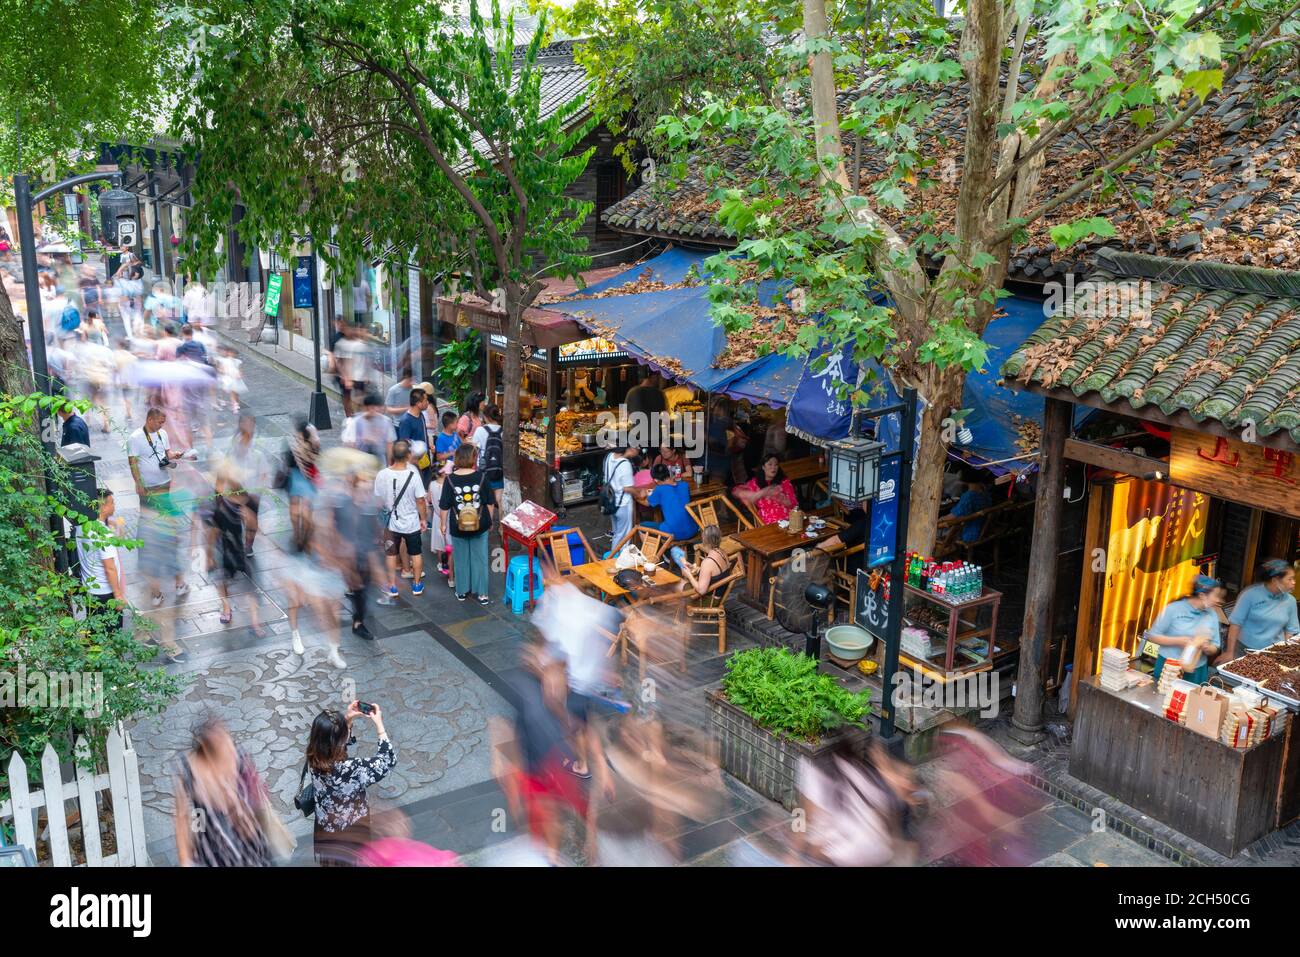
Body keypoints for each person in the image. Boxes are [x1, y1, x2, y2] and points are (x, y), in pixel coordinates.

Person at [173, 716, 272, 867]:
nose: (228, 747)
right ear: (205, 748)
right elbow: (183, 816)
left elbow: (257, 795)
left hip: (250, 848)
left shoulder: (239, 755)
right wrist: (186, 859)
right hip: (214, 852)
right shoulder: (189, 770)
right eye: (221, 744)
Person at [305, 704, 395, 867]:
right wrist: (380, 726)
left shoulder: (314, 755)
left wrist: (346, 720)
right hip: (351, 831)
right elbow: (387, 761)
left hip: (326, 827)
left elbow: (335, 743)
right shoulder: (351, 769)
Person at [203, 473, 266, 636]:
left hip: (237, 551)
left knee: (247, 587)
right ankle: (227, 607)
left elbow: (252, 528)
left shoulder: (245, 506)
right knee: (222, 580)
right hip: (223, 550)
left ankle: (254, 623)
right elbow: (212, 535)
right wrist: (209, 556)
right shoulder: (221, 509)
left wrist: (249, 532)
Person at [1145, 575, 1225, 684]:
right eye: (1215, 596)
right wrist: (1178, 641)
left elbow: (1216, 645)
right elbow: (1153, 635)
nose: (1218, 600)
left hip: (1197, 670)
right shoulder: (1173, 609)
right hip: (1169, 667)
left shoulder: (1212, 614)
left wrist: (1207, 647)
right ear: (1202, 595)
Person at [439, 443, 492, 605]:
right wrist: (489, 520)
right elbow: (489, 502)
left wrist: (442, 524)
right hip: (480, 524)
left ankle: (461, 591)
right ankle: (482, 594)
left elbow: (444, 505)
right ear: (473, 458)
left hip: (458, 525)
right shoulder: (482, 477)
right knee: (481, 559)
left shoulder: (449, 480)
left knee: (461, 559)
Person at [374, 440, 428, 599]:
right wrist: (423, 518)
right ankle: (417, 585)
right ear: (408, 456)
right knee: (416, 554)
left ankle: (392, 586)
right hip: (411, 523)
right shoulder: (413, 474)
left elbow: (378, 500)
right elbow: (420, 500)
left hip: (391, 523)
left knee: (390, 555)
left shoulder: (382, 474)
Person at [1226, 559, 1300, 659]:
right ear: (1275, 580)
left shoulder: (1290, 601)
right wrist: (1229, 652)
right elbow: (1235, 624)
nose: (1294, 582)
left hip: (1274, 652)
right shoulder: (1250, 594)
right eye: (1290, 579)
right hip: (1245, 650)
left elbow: (1291, 630)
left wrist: (1287, 655)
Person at [77, 489, 126, 632]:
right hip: (106, 593)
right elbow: (109, 567)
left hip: (90, 589)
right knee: (112, 635)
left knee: (95, 633)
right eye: (112, 503)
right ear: (103, 506)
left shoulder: (82, 526)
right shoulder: (103, 534)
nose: (114, 506)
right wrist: (118, 595)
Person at [633, 464, 697, 556]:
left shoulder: (659, 489)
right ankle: (672, 552)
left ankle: (650, 556)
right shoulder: (684, 485)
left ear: (656, 480)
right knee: (671, 521)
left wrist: (635, 497)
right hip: (692, 530)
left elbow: (647, 503)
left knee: (641, 526)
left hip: (673, 534)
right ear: (669, 473)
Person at [128, 407, 185, 502]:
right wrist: (139, 484)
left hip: (165, 481)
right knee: (148, 513)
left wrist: (175, 454)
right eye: (160, 422)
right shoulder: (135, 438)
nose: (162, 425)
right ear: (150, 419)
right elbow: (133, 464)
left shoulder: (163, 433)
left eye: (163, 422)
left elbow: (167, 454)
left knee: (165, 512)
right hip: (147, 485)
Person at [284, 418, 321, 549]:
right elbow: (288, 462)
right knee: (295, 508)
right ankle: (297, 535)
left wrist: (307, 445)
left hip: (307, 476)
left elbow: (315, 457)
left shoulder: (312, 441)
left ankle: (305, 537)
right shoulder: (293, 443)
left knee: (305, 511)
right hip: (296, 476)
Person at [734, 453, 798, 525]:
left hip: (787, 518)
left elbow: (794, 503)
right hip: (767, 520)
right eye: (770, 464)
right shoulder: (755, 483)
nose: (773, 468)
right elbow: (736, 491)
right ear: (763, 467)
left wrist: (780, 498)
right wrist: (762, 493)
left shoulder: (784, 481)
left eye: (776, 465)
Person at [602, 444, 640, 551]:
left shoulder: (609, 456)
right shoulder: (625, 464)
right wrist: (639, 493)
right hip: (622, 504)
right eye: (638, 448)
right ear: (631, 448)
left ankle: (613, 559)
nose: (638, 451)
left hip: (610, 501)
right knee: (624, 537)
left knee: (617, 533)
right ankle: (617, 561)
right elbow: (628, 488)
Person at [678, 524, 731, 596]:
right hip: (719, 593)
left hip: (709, 600)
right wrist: (696, 568)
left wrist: (689, 575)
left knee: (679, 587)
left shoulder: (707, 562)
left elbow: (701, 591)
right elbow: (715, 573)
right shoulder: (722, 552)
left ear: (704, 541)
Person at [473, 403, 505, 521]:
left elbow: (475, 450)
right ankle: (502, 527)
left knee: (486, 499)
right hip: (499, 469)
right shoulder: (503, 430)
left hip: (484, 469)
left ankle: (488, 524)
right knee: (500, 499)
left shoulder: (480, 430)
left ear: (486, 416)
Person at [396, 387, 433, 488]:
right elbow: (404, 445)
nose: (427, 402)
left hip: (425, 460)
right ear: (418, 403)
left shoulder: (421, 415)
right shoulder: (406, 421)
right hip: (415, 464)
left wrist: (429, 444)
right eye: (425, 400)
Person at [348, 393, 397, 465]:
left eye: (375, 408)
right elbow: (352, 444)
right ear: (364, 408)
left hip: (380, 460)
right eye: (369, 408)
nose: (372, 410)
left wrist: (389, 464)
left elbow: (389, 443)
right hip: (361, 460)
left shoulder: (386, 421)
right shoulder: (356, 421)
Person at [950, 476, 992, 544]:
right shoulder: (985, 493)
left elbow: (954, 516)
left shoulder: (968, 496)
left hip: (969, 533)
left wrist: (940, 519)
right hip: (983, 529)